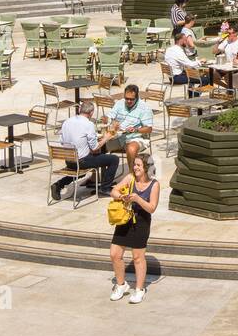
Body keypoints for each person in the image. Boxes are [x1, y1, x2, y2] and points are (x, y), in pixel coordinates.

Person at [109, 151, 159, 304]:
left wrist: (137, 199)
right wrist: (121, 196)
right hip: (125, 220)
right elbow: (113, 191)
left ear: (146, 167)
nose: (135, 167)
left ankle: (139, 289)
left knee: (137, 257)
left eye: (138, 165)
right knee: (114, 254)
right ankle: (121, 284)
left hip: (141, 222)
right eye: (134, 164)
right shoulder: (130, 178)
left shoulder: (154, 184)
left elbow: (151, 208)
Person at [53, 100, 119, 199]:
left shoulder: (67, 122)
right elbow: (94, 147)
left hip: (69, 160)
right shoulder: (88, 124)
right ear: (91, 112)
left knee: (83, 168)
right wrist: (106, 137)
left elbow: (62, 141)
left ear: (80, 109)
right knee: (114, 159)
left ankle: (59, 184)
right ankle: (105, 187)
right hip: (82, 162)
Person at [107, 84, 154, 175]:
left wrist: (136, 130)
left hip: (136, 137)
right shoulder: (120, 103)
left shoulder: (144, 108)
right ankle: (95, 178)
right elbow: (109, 117)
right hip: (119, 136)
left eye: (131, 99)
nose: (128, 101)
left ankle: (132, 176)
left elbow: (149, 129)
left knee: (131, 149)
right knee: (95, 145)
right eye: (126, 98)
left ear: (137, 97)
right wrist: (110, 121)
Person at [164, 30, 209, 94]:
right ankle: (195, 95)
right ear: (180, 40)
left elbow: (185, 63)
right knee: (206, 79)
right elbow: (189, 64)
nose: (187, 42)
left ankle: (192, 95)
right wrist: (200, 61)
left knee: (193, 74)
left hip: (171, 76)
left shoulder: (169, 49)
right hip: (177, 78)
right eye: (185, 40)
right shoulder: (178, 51)